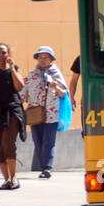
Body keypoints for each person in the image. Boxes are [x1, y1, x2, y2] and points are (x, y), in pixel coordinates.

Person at [22, 45, 69, 178]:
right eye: (40, 57)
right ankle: (42, 166)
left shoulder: (56, 75)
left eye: (45, 57)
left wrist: (56, 87)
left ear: (51, 59)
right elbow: (23, 93)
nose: (42, 60)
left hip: (51, 114)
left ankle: (47, 167)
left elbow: (63, 94)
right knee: (38, 141)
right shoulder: (31, 76)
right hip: (35, 113)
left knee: (49, 140)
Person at [0, 42, 25, 189]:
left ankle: (14, 178)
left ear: (9, 54)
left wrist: (12, 68)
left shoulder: (15, 69)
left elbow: (20, 86)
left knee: (8, 143)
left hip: (13, 110)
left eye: (4, 52)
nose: (1, 55)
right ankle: (6, 179)